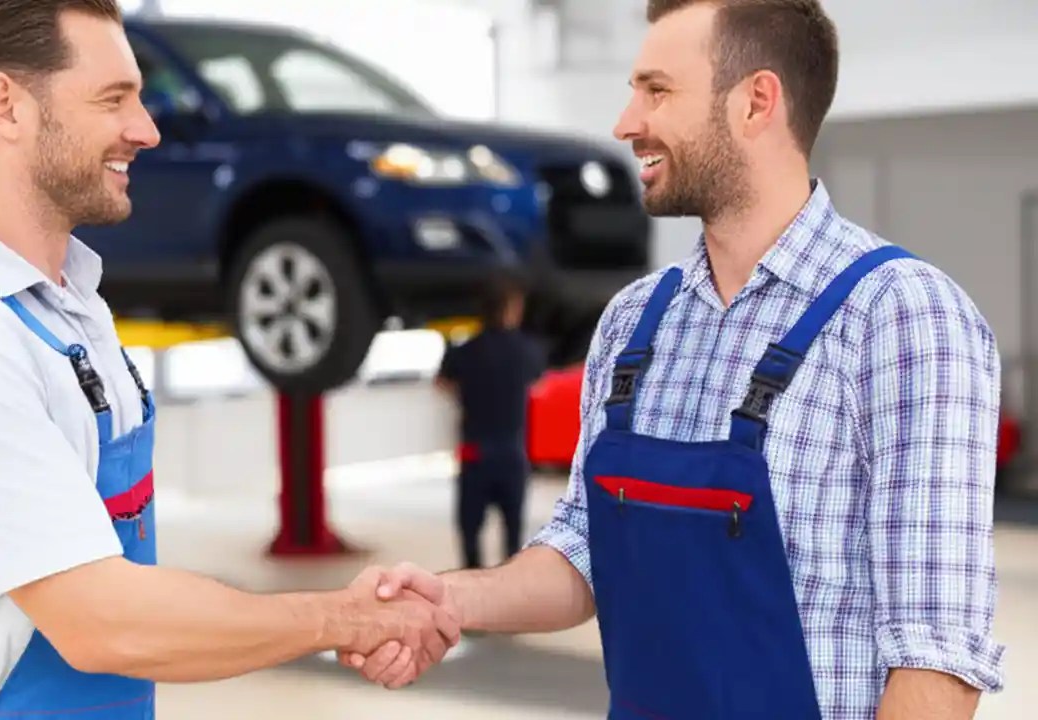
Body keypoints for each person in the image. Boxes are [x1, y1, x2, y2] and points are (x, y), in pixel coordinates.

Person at [342, 0, 1007, 717]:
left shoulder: (900, 317)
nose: (627, 123)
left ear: (757, 102)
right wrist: (451, 598)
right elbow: (584, 550)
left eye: (656, 91)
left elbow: (935, 656)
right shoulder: (635, 323)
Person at [0, 2, 456, 718]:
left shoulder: (70, 306)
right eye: (114, 99)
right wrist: (344, 619)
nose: (148, 129)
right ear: (6, 106)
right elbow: (102, 621)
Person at [437, 272, 546, 569]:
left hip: (474, 452)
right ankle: (507, 602)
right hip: (512, 452)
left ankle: (472, 599)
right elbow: (538, 382)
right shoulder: (527, 351)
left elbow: (441, 383)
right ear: (512, 308)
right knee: (512, 539)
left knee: (470, 534)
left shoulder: (464, 352)